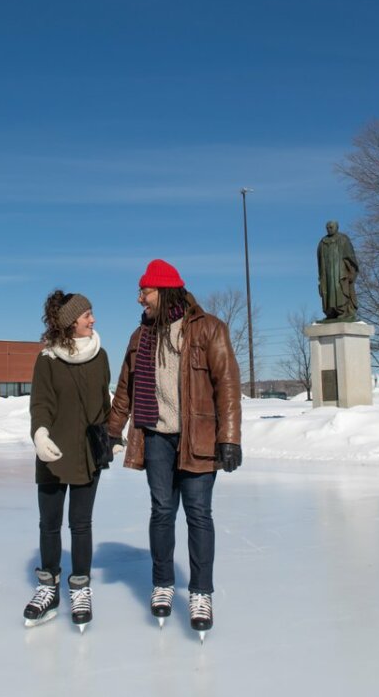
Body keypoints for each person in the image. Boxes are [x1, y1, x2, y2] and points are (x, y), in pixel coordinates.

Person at [108, 259, 242, 640]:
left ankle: (200, 593)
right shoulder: (140, 337)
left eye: (145, 291)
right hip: (156, 438)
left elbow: (227, 385)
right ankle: (163, 582)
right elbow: (125, 392)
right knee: (162, 511)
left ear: (163, 291)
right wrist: (111, 432)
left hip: (197, 437)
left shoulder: (209, 329)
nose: (139, 298)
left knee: (199, 514)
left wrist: (229, 437)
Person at [22, 291, 113, 633]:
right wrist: (40, 434)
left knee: (81, 523)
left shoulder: (100, 355)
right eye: (87, 314)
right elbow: (41, 403)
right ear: (71, 321)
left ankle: (80, 587)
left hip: (87, 452)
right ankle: (48, 587)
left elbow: (104, 402)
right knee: (49, 523)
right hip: (52, 451)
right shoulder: (47, 359)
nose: (93, 320)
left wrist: (112, 438)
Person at [317, 220, 359, 321]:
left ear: (337, 227)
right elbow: (319, 259)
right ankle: (330, 312)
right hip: (327, 272)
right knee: (327, 290)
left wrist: (352, 272)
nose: (329, 229)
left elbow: (350, 256)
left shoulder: (343, 239)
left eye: (331, 227)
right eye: (327, 228)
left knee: (339, 289)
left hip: (340, 271)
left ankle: (343, 311)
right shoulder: (323, 242)